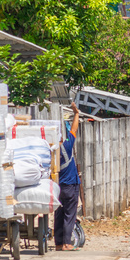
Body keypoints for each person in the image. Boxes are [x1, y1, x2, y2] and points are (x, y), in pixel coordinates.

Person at [56, 103, 81, 251]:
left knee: (59, 214)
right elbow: (74, 129)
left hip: (57, 187)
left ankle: (59, 244)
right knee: (69, 215)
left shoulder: (50, 153)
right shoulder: (66, 146)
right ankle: (67, 244)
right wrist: (76, 113)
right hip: (70, 186)